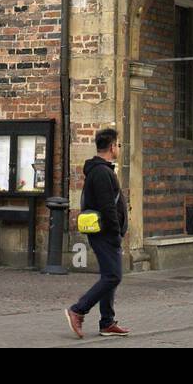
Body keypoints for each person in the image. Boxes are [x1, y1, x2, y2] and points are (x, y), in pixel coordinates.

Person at [66, 128, 130, 337]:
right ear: (112, 147)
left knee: (108, 275)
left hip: (106, 233)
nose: (119, 148)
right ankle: (78, 310)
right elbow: (107, 207)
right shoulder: (102, 172)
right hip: (105, 234)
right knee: (113, 276)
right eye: (118, 145)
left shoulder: (102, 170)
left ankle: (107, 322)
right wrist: (115, 232)